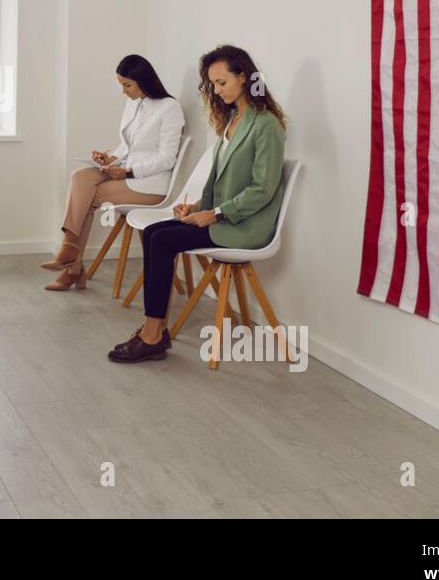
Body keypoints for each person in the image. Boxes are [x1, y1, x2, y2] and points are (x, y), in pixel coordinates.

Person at [109, 44, 286, 362]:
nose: (217, 91)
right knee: (152, 233)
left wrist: (215, 215)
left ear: (243, 77)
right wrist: (196, 207)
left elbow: (263, 189)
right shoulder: (233, 119)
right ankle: (155, 329)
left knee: (162, 240)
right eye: (213, 84)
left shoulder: (266, 124)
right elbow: (218, 179)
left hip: (245, 226)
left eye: (222, 82)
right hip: (220, 216)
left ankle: (152, 335)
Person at [42, 54, 183, 290]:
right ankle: (70, 253)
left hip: (149, 186)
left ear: (143, 80)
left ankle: (72, 264)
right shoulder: (134, 103)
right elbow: (129, 146)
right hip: (125, 171)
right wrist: (110, 158)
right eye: (121, 85)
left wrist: (128, 172)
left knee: (86, 197)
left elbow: (166, 159)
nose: (123, 91)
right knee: (80, 177)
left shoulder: (170, 108)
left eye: (127, 85)